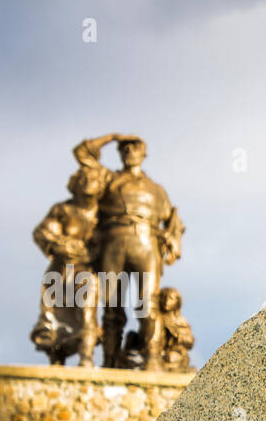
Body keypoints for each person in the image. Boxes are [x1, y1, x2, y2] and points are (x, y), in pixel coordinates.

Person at [73, 133, 184, 369]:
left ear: (144, 154)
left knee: (148, 304)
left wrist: (174, 240)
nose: (129, 152)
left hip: (147, 242)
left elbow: (173, 220)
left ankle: (153, 358)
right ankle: (110, 360)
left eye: (135, 148)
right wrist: (112, 137)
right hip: (113, 240)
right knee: (112, 306)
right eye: (124, 149)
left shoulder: (156, 190)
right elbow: (82, 153)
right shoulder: (108, 179)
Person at [29, 166, 106, 366]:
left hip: (87, 270)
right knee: (55, 320)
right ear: (75, 184)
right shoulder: (62, 210)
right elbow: (41, 233)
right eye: (83, 179)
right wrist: (58, 244)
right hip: (61, 270)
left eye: (93, 180)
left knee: (87, 311)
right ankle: (56, 355)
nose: (87, 184)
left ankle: (86, 356)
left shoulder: (105, 213)